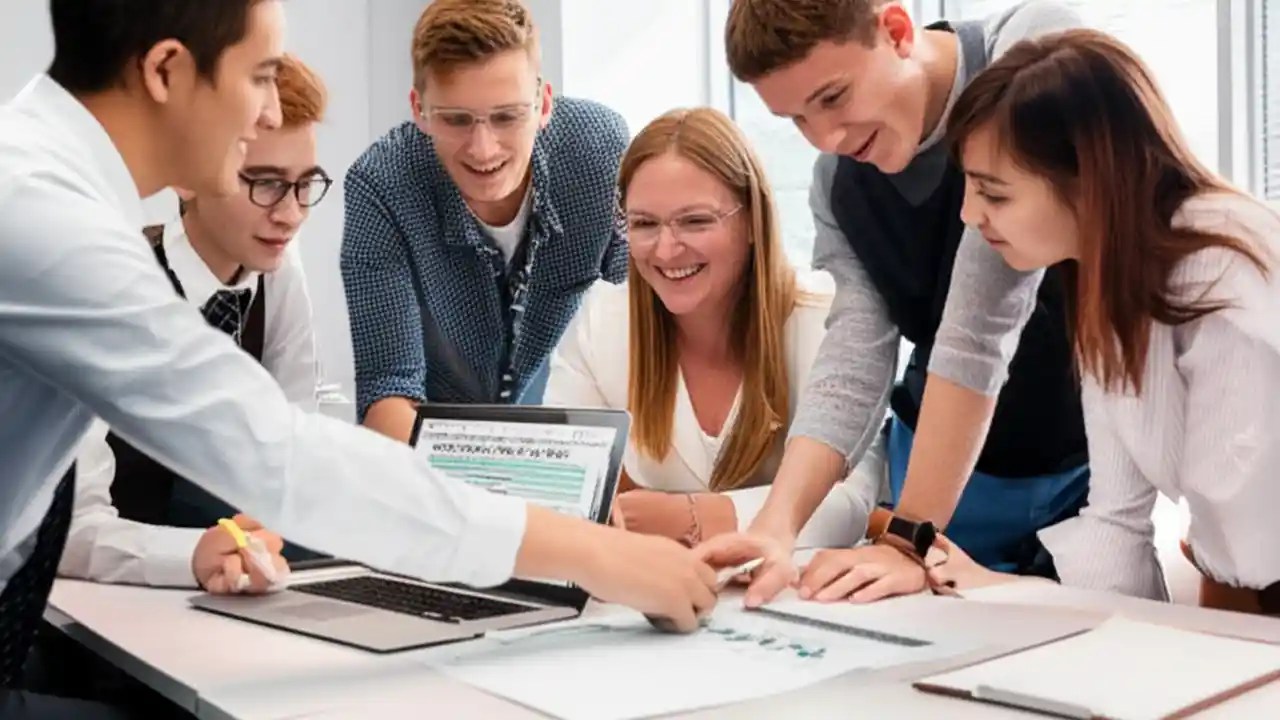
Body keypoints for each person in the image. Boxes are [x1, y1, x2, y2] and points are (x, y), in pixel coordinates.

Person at [0, 1, 741, 712]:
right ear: (167, 71)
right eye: (261, 76)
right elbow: (284, 455)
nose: (269, 114)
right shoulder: (46, 220)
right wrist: (594, 555)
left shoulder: (46, 185)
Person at [718, 0, 1093, 607]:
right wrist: (775, 528)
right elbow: (853, 360)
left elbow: (978, 325)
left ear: (895, 30)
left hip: (1086, 475)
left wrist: (907, 541)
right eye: (796, 119)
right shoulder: (837, 186)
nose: (827, 139)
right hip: (944, 480)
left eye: (834, 97)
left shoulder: (1030, 59)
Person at [926, 29, 1280, 617]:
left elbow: (1246, 562)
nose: (969, 214)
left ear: (1089, 180)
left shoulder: (1223, 277)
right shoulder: (1109, 278)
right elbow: (1115, 524)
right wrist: (996, 587)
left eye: (995, 194)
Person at [56, 52, 331, 595]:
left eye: (305, 184)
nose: (291, 214)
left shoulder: (277, 277)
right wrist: (191, 555)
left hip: (228, 589)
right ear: (185, 177)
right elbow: (66, 528)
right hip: (102, 602)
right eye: (265, 183)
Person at [545, 107, 882, 548]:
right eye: (644, 223)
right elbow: (564, 490)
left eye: (695, 221)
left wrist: (695, 516)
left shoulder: (828, 320)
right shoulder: (601, 323)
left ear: (752, 221)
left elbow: (854, 503)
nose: (666, 250)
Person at [342, 0, 629, 444]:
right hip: (436, 457)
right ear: (419, 108)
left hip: (573, 444)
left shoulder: (599, 153)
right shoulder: (381, 184)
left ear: (543, 104)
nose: (483, 149)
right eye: (456, 120)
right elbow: (387, 392)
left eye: (506, 116)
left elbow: (645, 332)